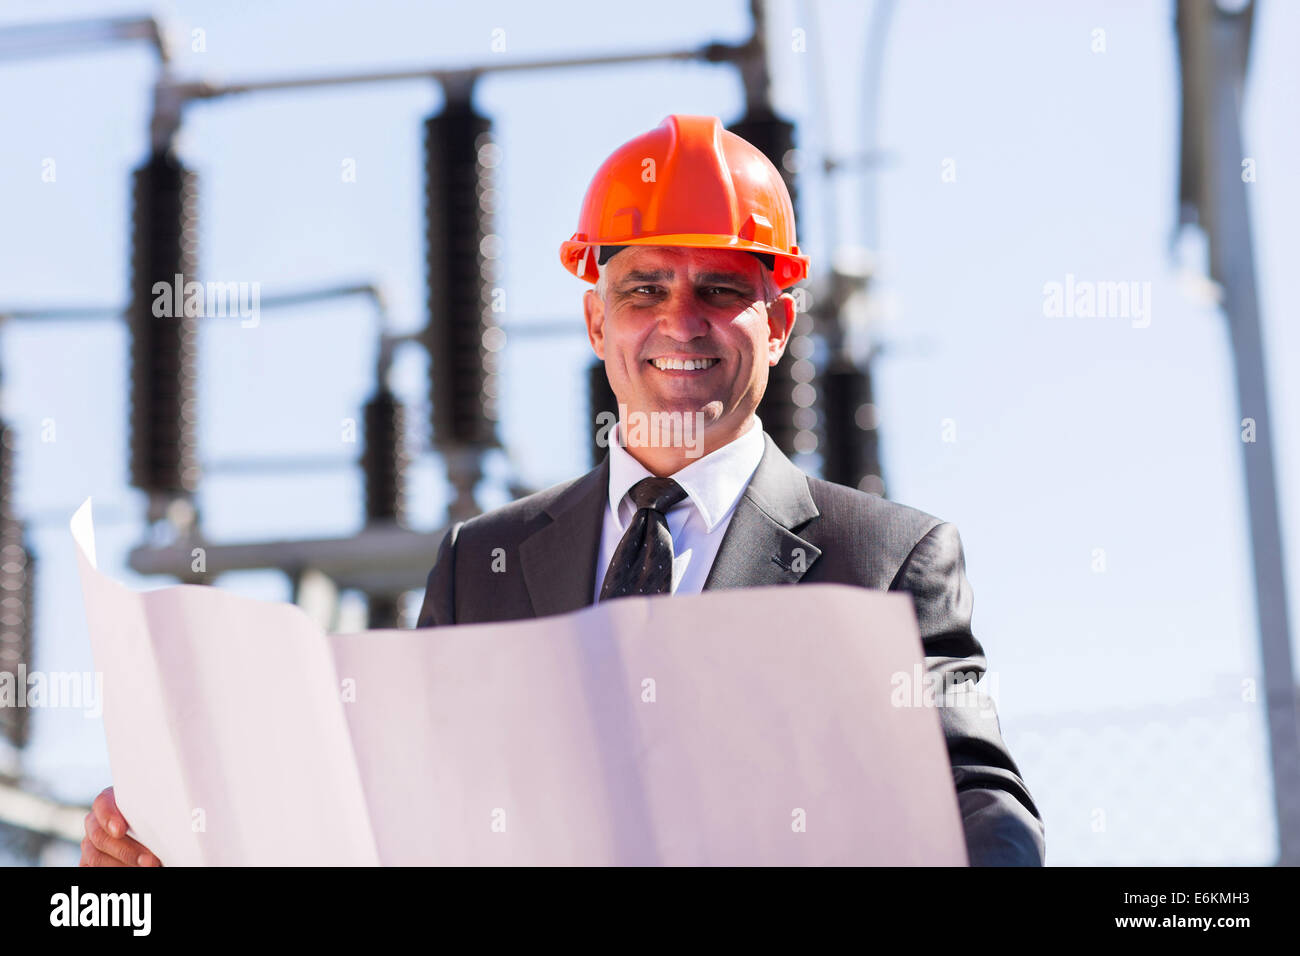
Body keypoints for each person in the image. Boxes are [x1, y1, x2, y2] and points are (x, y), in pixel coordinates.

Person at [81, 114, 1044, 867]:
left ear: (780, 320)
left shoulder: (885, 559)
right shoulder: (484, 564)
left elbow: (979, 806)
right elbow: (405, 820)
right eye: (643, 289)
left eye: (721, 289)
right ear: (596, 321)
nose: (681, 321)